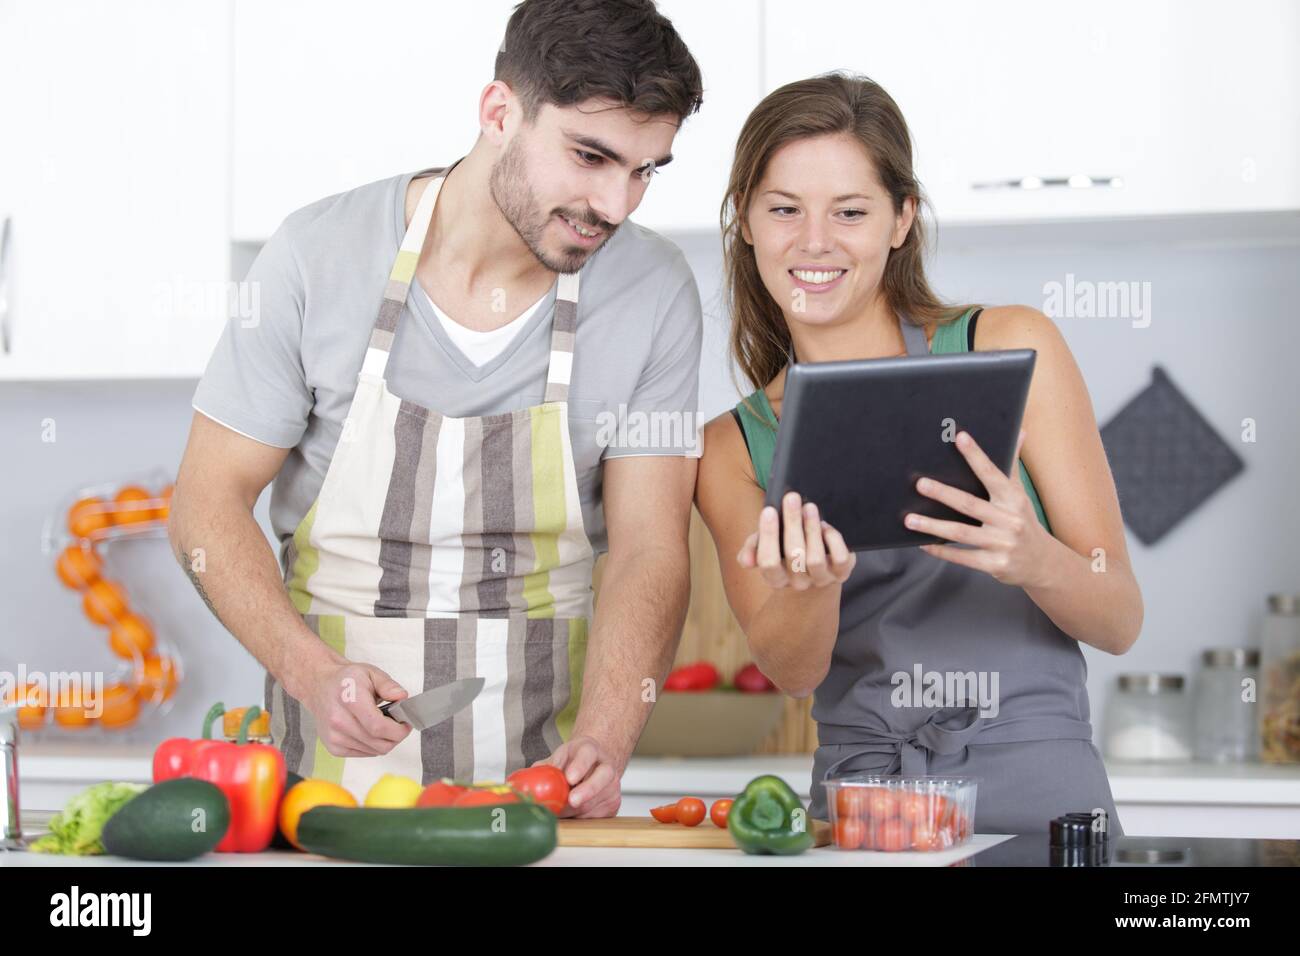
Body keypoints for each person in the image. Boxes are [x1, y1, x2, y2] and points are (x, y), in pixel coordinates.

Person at [170, 0, 705, 818]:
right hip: (322, 798)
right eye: (591, 157)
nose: (617, 204)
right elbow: (206, 508)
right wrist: (315, 675)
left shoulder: (653, 291)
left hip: (540, 806)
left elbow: (650, 550)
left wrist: (608, 735)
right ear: (499, 112)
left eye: (644, 170)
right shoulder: (318, 257)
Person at [695, 73, 1144, 835]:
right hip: (869, 808)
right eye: (783, 210)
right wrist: (814, 587)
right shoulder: (730, 446)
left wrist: (1029, 554)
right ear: (744, 220)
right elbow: (792, 672)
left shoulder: (1012, 344)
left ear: (901, 219)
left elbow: (1120, 618)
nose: (814, 241)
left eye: (850, 211)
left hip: (1042, 791)